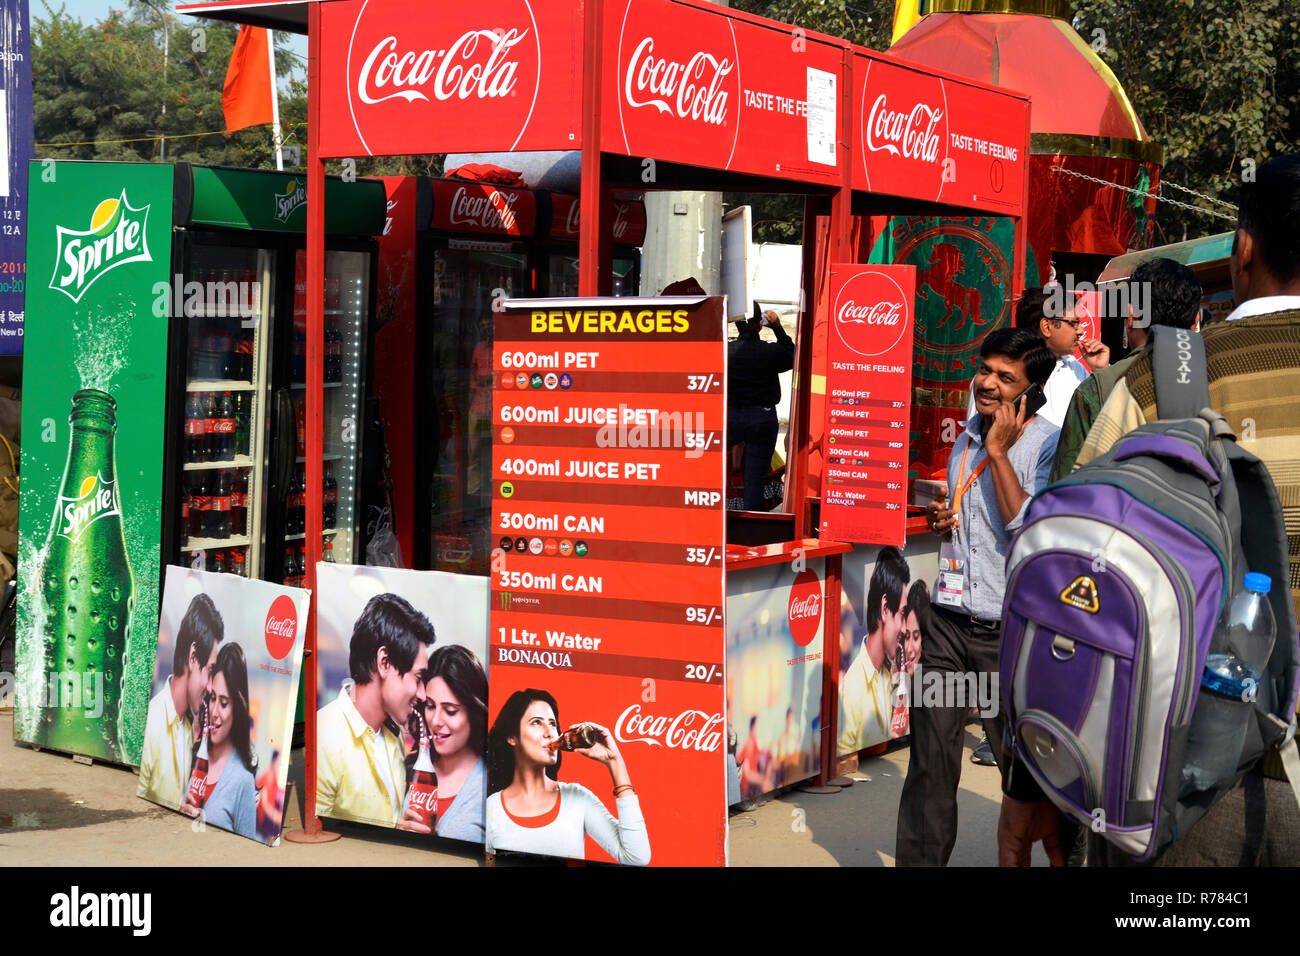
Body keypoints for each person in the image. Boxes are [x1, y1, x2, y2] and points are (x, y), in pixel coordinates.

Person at [1047, 152, 1300, 867]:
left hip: (1179, 782)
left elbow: (1078, 578)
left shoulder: (1162, 383)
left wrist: (1035, 774)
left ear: (1242, 249)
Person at [895, 328, 1059, 866]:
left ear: (1030, 392)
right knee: (931, 765)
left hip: (1007, 636)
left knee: (1028, 775)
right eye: (985, 369)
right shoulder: (967, 435)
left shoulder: (1049, 443)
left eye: (1005, 378)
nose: (987, 383)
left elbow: (1028, 527)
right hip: (946, 623)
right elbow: (970, 524)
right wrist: (944, 521)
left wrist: (1000, 452)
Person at [1050, 258, 1202, 480]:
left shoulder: (1097, 389)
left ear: (1130, 316)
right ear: (1195, 321)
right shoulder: (1220, 378)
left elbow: (1063, 487)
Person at [484, 689, 650, 865]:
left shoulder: (577, 798)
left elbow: (637, 858)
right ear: (512, 737)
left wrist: (614, 761)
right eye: (537, 723)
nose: (550, 733)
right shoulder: (491, 808)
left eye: (553, 724)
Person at [317, 592, 435, 827]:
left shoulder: (396, 734)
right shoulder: (325, 737)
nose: (422, 694)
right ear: (385, 663)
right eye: (418, 678)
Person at [137, 593, 223, 808]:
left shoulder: (186, 725)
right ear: (193, 657)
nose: (211, 687)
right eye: (210, 670)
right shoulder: (155, 723)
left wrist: (179, 802)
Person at [399, 644, 488, 842]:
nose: (436, 721)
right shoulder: (409, 769)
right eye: (430, 706)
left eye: (450, 711)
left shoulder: (490, 785)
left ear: (473, 713)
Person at [183, 642, 258, 841]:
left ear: (237, 709)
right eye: (212, 698)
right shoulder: (191, 755)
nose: (214, 712)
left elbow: (249, 852)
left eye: (224, 703)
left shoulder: (242, 780)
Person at [838, 546, 909, 755]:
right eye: (902, 614)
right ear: (885, 609)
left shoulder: (888, 672)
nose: (904, 628)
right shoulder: (852, 691)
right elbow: (844, 758)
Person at [728, 305, 794, 511]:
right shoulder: (769, 351)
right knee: (755, 484)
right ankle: (750, 533)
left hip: (729, 415)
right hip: (762, 416)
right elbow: (791, 355)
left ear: (737, 324)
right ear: (760, 325)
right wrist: (777, 328)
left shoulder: (724, 351)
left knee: (714, 477)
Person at [1014, 287, 1109, 427]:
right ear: (1046, 327)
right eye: (1074, 323)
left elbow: (1104, 417)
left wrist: (1101, 371)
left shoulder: (1075, 369)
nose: (1081, 331)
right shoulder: (1005, 371)